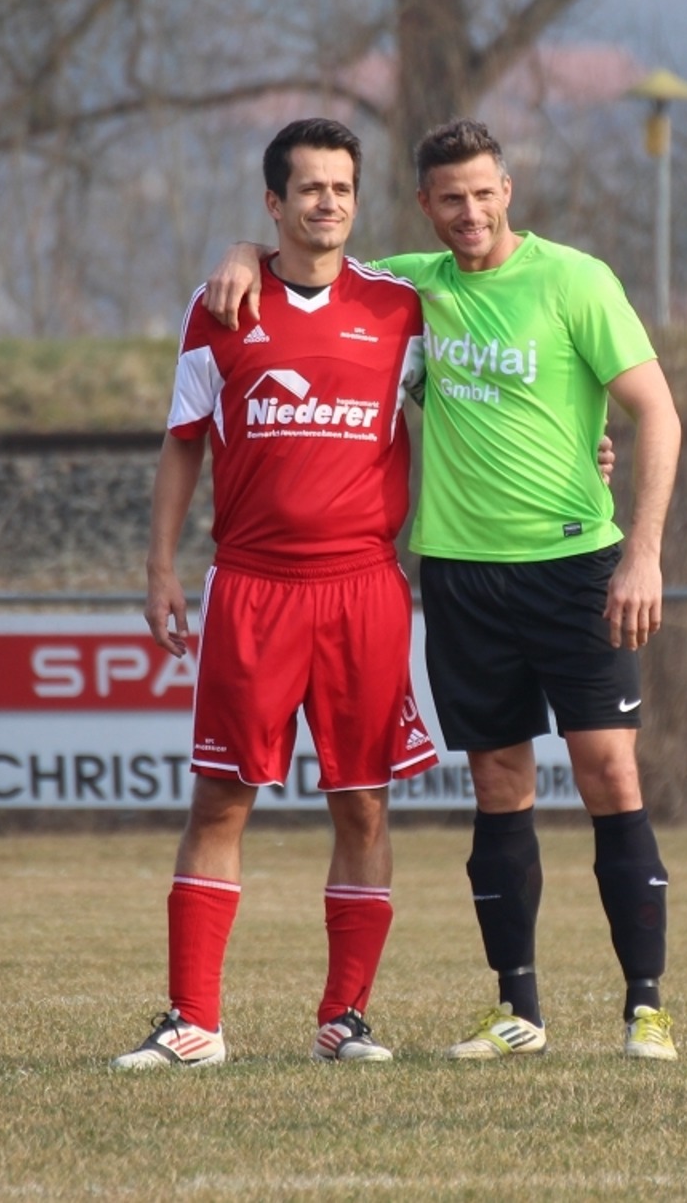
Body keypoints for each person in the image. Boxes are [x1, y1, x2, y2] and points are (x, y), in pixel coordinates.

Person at [206, 118, 684, 1062]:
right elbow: (312, 260)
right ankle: (519, 1011)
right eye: (450, 199)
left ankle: (646, 1007)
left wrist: (645, 553)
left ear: (509, 190)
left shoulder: (575, 280)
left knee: (609, 772)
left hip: (577, 565)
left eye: (484, 192)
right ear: (425, 207)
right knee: (498, 783)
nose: (470, 212)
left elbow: (656, 412)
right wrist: (238, 253)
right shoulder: (408, 292)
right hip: (461, 573)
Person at [111, 119, 438, 1069]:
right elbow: (181, 443)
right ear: (274, 204)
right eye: (308, 190)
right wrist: (162, 567)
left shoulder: (400, 310)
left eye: (341, 187)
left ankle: (345, 1019)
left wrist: (584, 454)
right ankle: (194, 1023)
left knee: (363, 806)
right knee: (220, 800)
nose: (326, 203)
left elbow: (483, 408)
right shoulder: (221, 307)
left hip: (363, 589)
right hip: (252, 586)